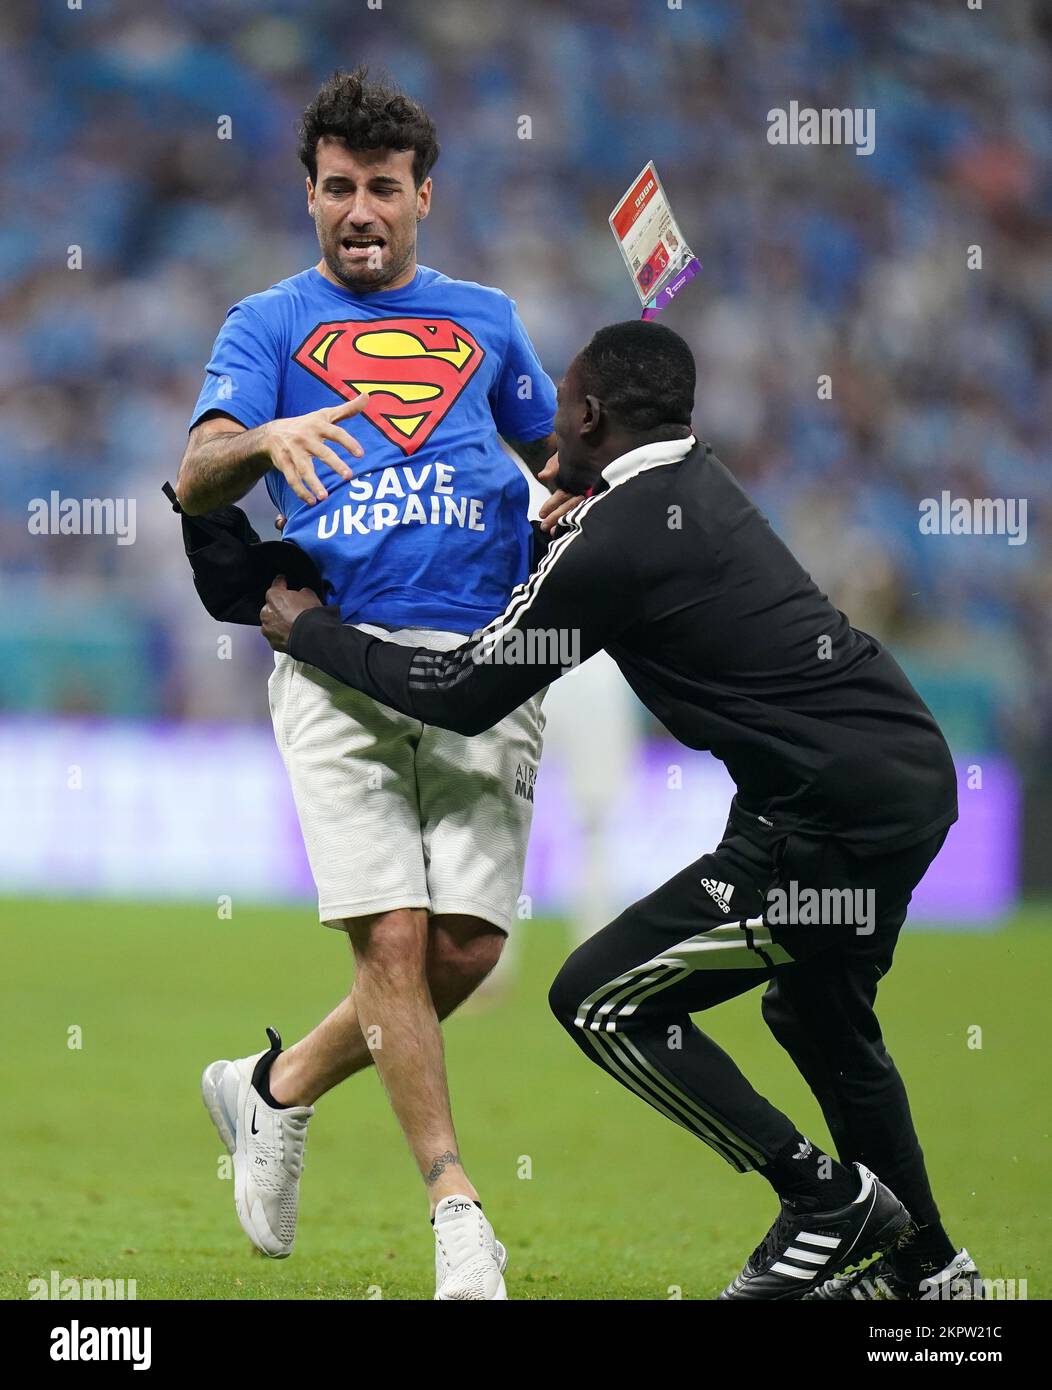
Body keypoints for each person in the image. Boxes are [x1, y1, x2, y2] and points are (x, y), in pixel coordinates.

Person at [259, 319, 984, 1301]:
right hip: (897, 772)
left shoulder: (614, 540)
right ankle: (929, 1274)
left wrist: (313, 633)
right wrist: (582, 500)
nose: (549, 422)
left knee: (599, 996)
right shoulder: (692, 486)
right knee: (819, 1017)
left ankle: (820, 1198)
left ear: (590, 415)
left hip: (827, 811)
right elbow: (621, 546)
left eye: (562, 403)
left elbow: (462, 688)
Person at [177, 67, 577, 1301]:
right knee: (391, 937)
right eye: (339, 187)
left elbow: (553, 452)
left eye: (383, 189)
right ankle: (457, 1211)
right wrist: (260, 440)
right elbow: (194, 476)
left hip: (487, 663)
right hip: (336, 664)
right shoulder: (264, 324)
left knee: (459, 948)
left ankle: (273, 1088)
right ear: (308, 196)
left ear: (422, 198)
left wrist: (575, 481)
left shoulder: (489, 318)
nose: (361, 208)